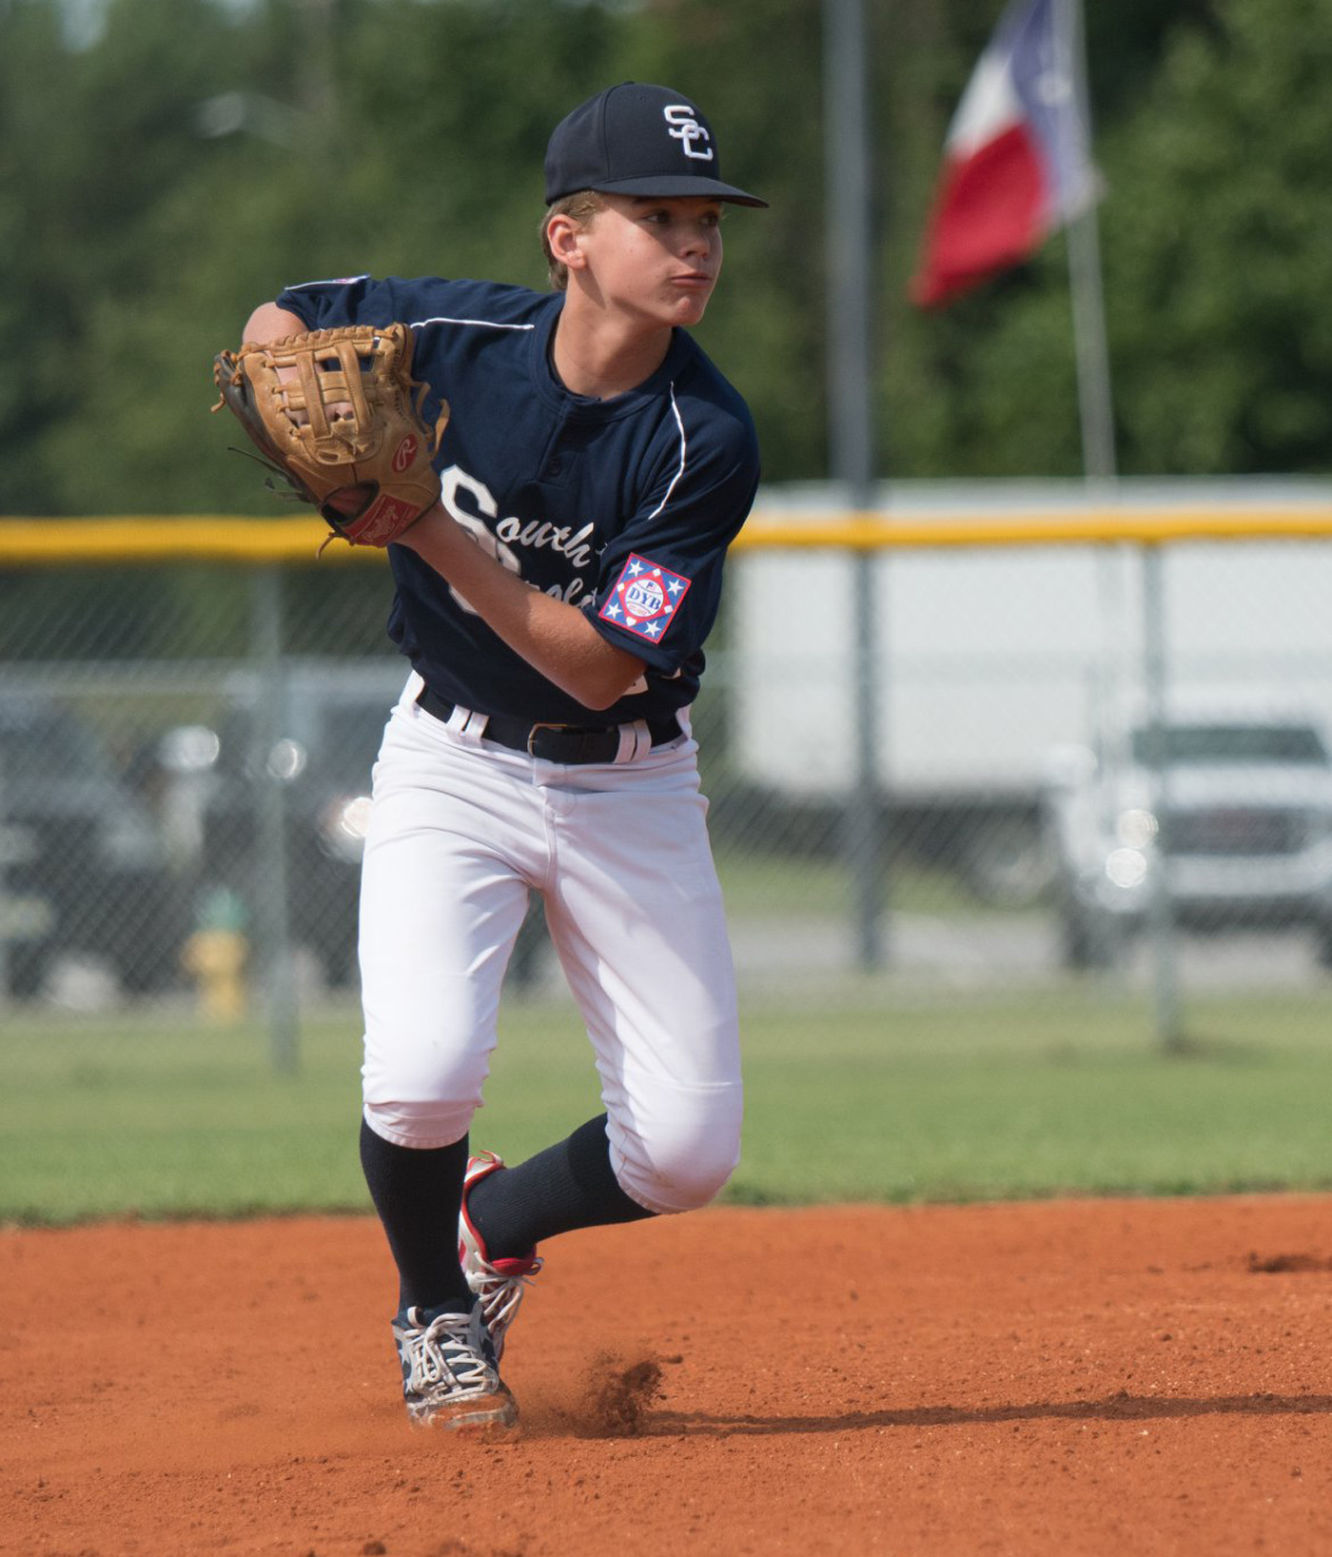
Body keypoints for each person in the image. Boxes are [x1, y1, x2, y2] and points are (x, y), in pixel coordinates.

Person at [240, 81, 767, 1430]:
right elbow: (280, 320)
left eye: (707, 219)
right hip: (453, 761)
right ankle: (435, 1310)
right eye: (659, 216)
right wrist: (296, 391)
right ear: (569, 238)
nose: (695, 244)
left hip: (628, 776)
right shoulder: (456, 341)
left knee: (689, 1151)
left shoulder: (704, 437)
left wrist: (419, 528)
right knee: (420, 1071)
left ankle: (496, 1216)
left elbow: (597, 662)